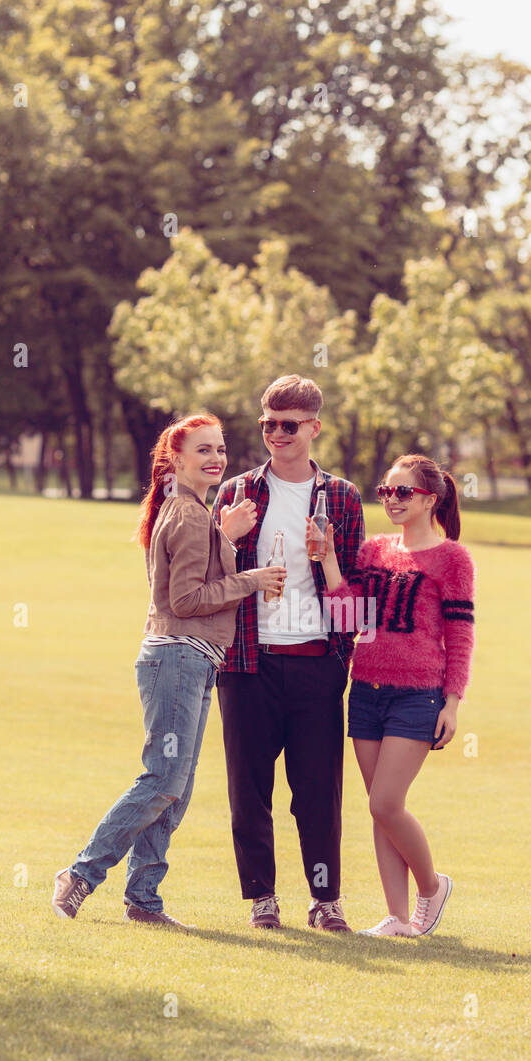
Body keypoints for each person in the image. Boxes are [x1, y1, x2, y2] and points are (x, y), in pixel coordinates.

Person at [51, 414, 285, 928]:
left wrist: (226, 538)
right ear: (175, 460)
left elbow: (196, 577)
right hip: (177, 656)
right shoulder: (186, 512)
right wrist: (251, 578)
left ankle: (144, 900)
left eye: (220, 449)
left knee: (174, 786)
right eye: (203, 450)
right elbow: (186, 598)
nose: (216, 459)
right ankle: (80, 874)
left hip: (195, 659)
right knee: (162, 780)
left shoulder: (193, 512)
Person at [212, 374, 365, 932]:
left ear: (314, 428)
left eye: (289, 425)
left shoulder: (343, 498)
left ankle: (326, 900)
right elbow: (203, 580)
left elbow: (356, 601)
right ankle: (262, 900)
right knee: (248, 789)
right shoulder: (235, 493)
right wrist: (225, 538)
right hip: (246, 664)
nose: (277, 433)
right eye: (268, 424)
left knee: (319, 795)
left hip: (316, 665)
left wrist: (326, 559)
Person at [315, 454, 475, 937]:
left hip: (418, 696)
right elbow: (347, 618)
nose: (391, 500)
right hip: (365, 690)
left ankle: (432, 887)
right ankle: (398, 919)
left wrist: (452, 701)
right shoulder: (372, 551)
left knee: (386, 803)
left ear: (430, 499)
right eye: (386, 491)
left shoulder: (453, 559)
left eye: (403, 492)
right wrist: (327, 560)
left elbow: (460, 635)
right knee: (377, 807)